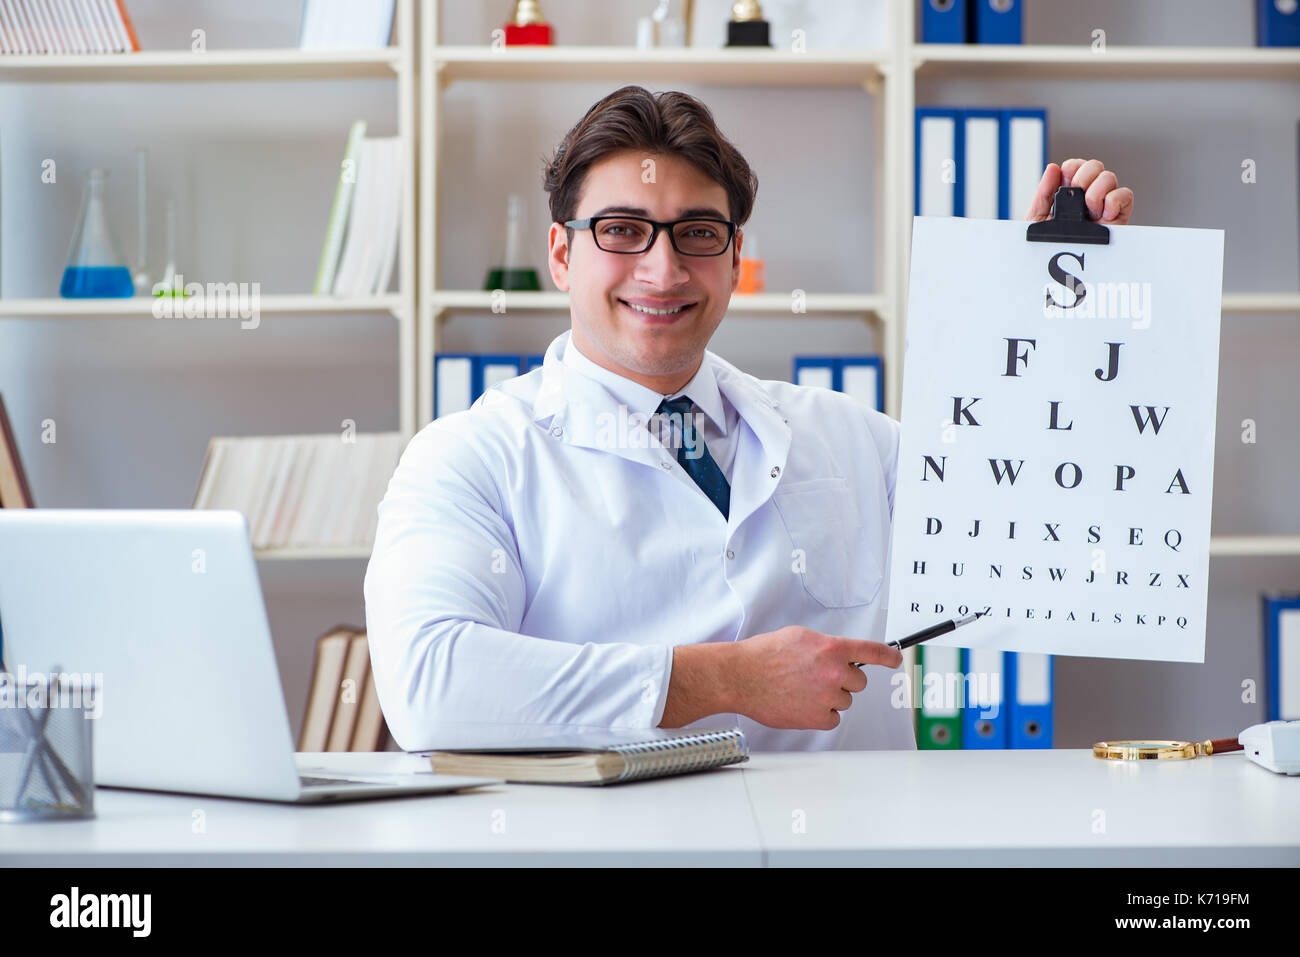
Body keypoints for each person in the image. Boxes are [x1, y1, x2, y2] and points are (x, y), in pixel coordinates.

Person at [363, 85, 1133, 752]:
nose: (662, 270)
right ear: (561, 254)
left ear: (735, 261)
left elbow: (1056, 564)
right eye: (622, 230)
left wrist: (1055, 319)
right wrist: (724, 679)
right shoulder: (471, 457)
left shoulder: (850, 438)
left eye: (698, 233)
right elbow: (430, 685)